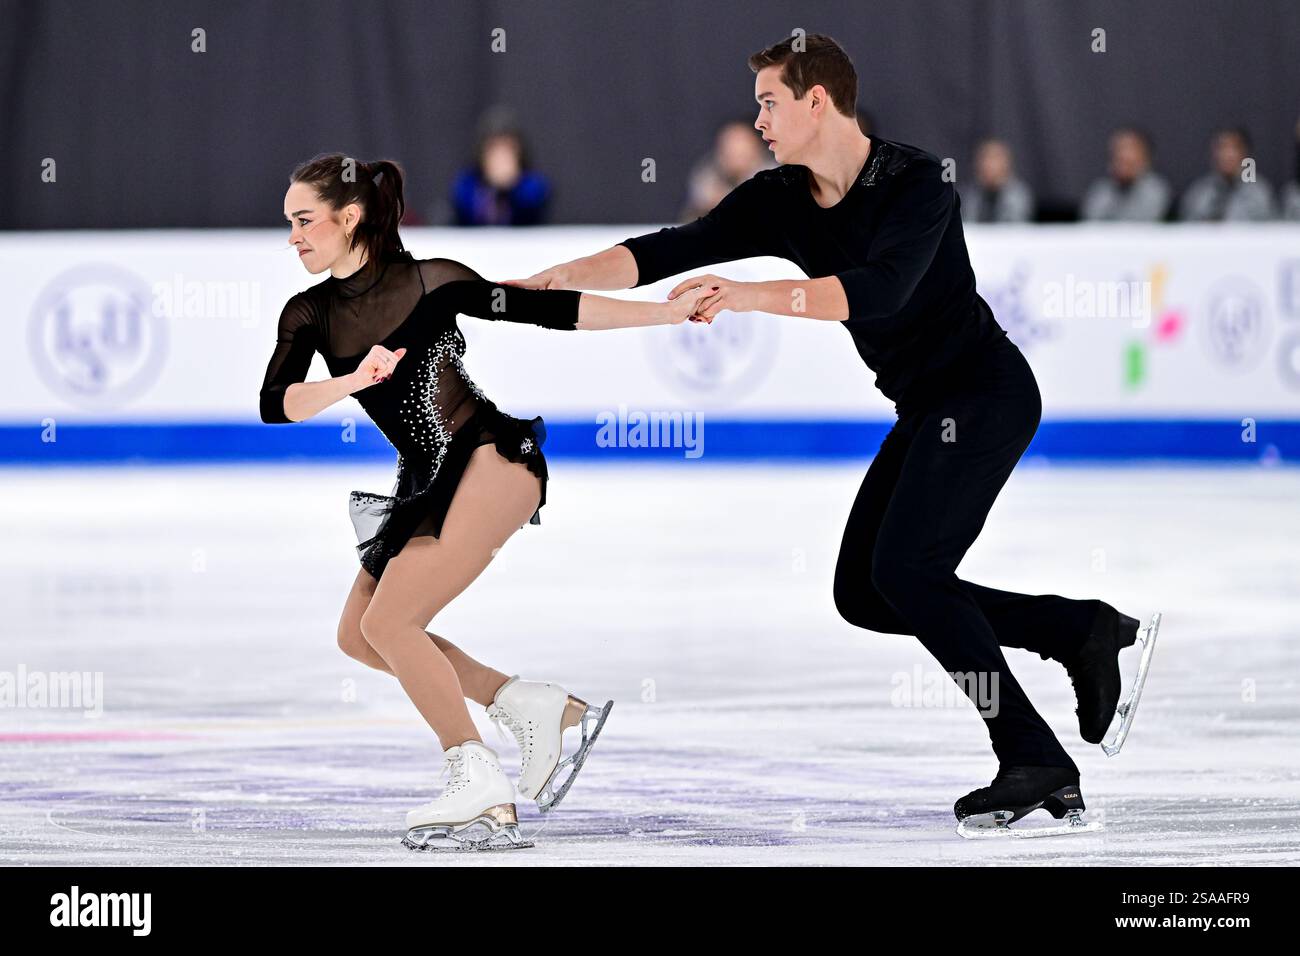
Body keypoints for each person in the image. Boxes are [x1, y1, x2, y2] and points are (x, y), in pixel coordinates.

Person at [506, 33, 1153, 835]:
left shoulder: (916, 183)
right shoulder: (780, 197)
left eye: (770, 102)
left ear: (819, 101)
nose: (759, 119)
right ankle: (1074, 629)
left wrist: (750, 295)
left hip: (985, 396)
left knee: (909, 572)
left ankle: (1032, 754)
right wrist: (554, 279)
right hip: (926, 409)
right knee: (867, 592)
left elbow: (877, 294)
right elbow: (668, 251)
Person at [260, 153, 709, 850]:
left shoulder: (433, 281)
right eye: (290, 224)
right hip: (423, 479)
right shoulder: (310, 313)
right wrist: (352, 380)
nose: (293, 237)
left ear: (349, 219)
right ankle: (533, 706)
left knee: (395, 623)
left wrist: (665, 314)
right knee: (361, 632)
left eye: (304, 220)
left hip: (490, 459)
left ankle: (475, 778)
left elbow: (550, 310)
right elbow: (275, 404)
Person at [1179, 127, 1276, 221]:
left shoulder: (1259, 194)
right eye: (1222, 147)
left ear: (1245, 152)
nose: (1227, 154)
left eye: (1234, 148)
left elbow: (1273, 231)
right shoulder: (1199, 193)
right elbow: (1187, 231)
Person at [1080, 127, 1172, 222]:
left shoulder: (1156, 190)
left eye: (1131, 149)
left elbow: (1142, 223)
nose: (1124, 154)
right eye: (1119, 151)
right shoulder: (1101, 191)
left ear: (1145, 158)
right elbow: (1091, 224)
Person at [959, 137, 1034, 223]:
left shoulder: (1019, 196)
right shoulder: (969, 196)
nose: (989, 165)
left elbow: (1016, 228)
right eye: (985, 159)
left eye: (995, 159)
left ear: (1006, 164)